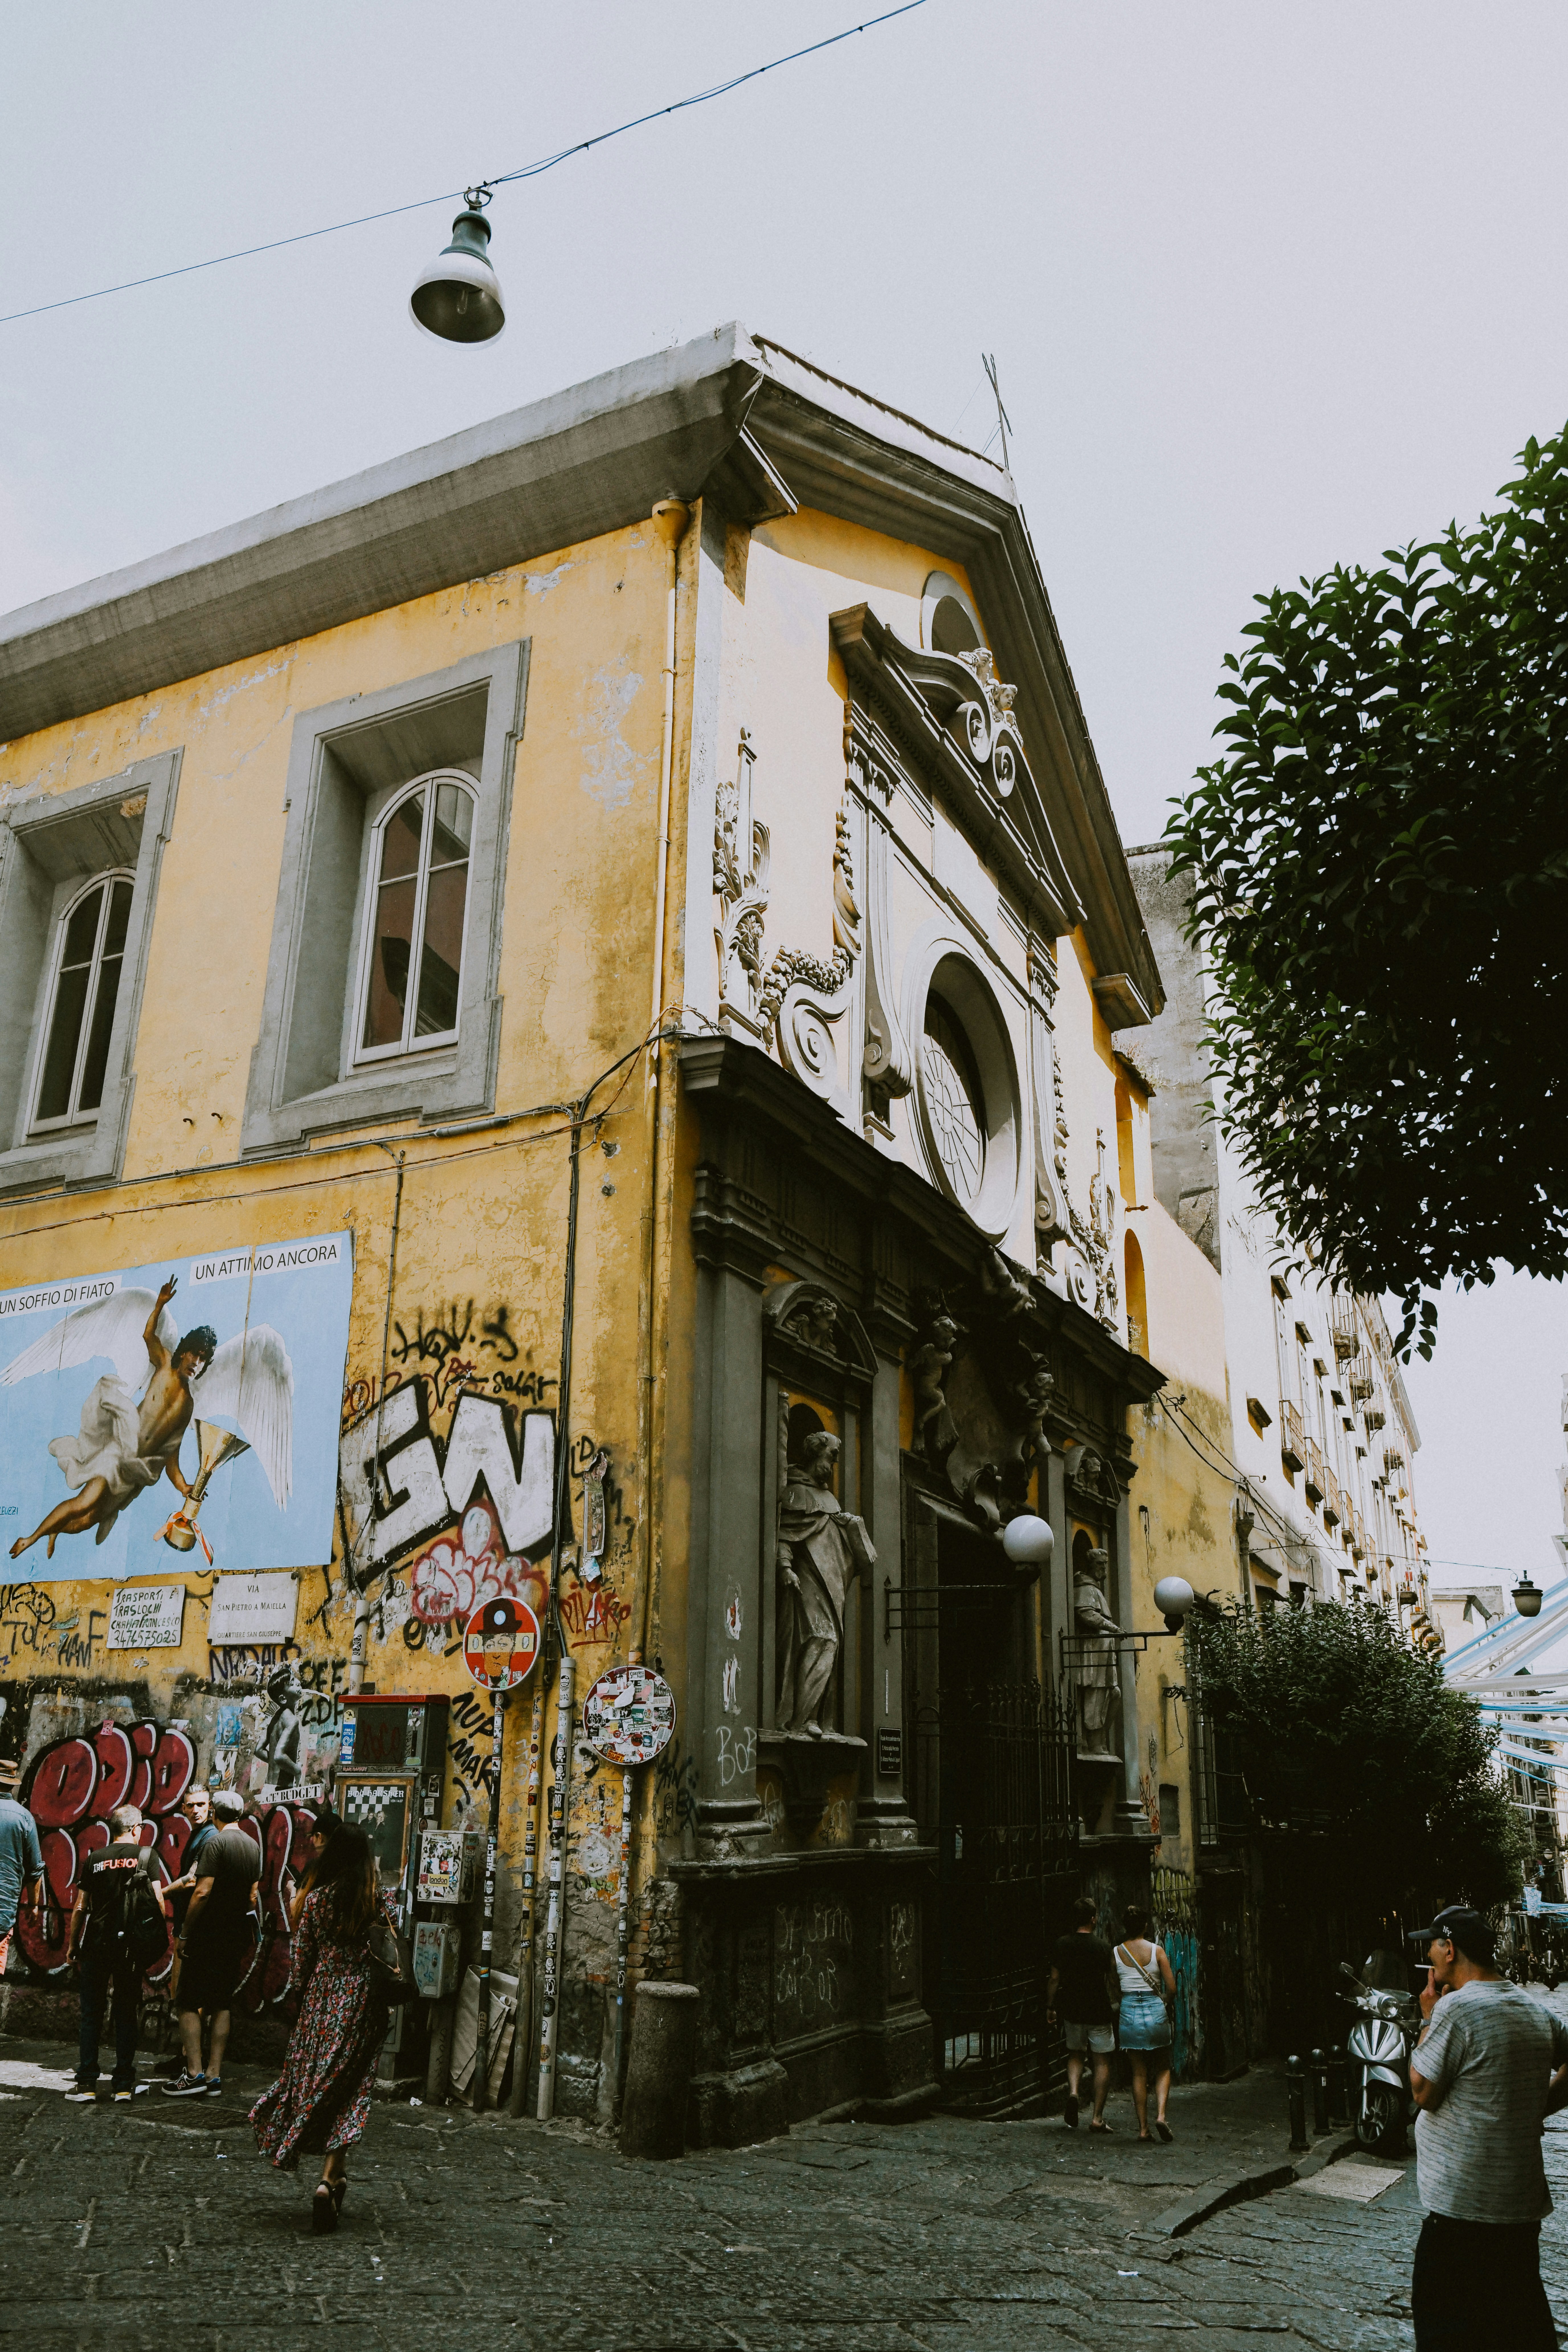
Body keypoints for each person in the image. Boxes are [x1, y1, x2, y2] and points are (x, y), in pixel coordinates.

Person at [1408, 1903, 1568, 2349]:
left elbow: (1423, 2091)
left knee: (1451, 2334)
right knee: (1518, 2330)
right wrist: (1536, 2106)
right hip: (1519, 2213)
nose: (1431, 1957)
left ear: (1451, 1950)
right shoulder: (1530, 2007)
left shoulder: (1455, 2009)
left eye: (1434, 1948)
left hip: (1462, 2216)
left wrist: (1426, 2017)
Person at [251, 1822, 395, 2233]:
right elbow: (386, 1949)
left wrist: (301, 1996)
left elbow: (303, 1961)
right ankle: (331, 2176)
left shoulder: (315, 1902)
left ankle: (329, 2175)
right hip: (364, 2002)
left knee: (319, 2082)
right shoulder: (375, 1901)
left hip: (322, 2000)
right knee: (352, 2088)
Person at [63, 1802, 166, 2102]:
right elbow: (158, 1903)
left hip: (96, 1946)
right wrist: (154, 1943)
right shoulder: (147, 1857)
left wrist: (73, 1945)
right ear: (137, 1829)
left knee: (91, 2015)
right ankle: (123, 2085)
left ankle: (86, 2085)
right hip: (130, 1950)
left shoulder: (95, 1859)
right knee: (126, 2014)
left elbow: (82, 1906)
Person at [163, 1788, 258, 2100]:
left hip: (209, 1933)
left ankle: (194, 2074)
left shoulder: (215, 1842)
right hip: (235, 1934)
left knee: (187, 2001)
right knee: (222, 2003)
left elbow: (201, 1892)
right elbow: (253, 1895)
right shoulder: (252, 1845)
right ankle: (215, 2075)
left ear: (215, 1813)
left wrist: (187, 1933)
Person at [1045, 1895, 1119, 2132]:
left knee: (1075, 2054)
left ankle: (1074, 2092)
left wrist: (1051, 2006)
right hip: (1098, 2009)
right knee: (1102, 2061)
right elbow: (1113, 1979)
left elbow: (1055, 1979)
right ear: (1094, 1919)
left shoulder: (1062, 1944)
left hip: (1072, 2008)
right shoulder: (1103, 1947)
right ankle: (1097, 2118)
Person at [1113, 1904, 1176, 2143]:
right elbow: (1172, 1989)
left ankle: (1143, 2129)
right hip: (1155, 2010)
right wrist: (1165, 2004)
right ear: (1145, 1926)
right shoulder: (1157, 1951)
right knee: (1162, 2067)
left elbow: (1114, 1983)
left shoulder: (1117, 1953)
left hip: (1129, 2012)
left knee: (1138, 2072)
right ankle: (1161, 2116)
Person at [0, 1757, 44, 1979]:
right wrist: (34, 1905)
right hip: (2, 1914)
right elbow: (35, 1870)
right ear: (12, 1785)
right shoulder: (24, 1818)